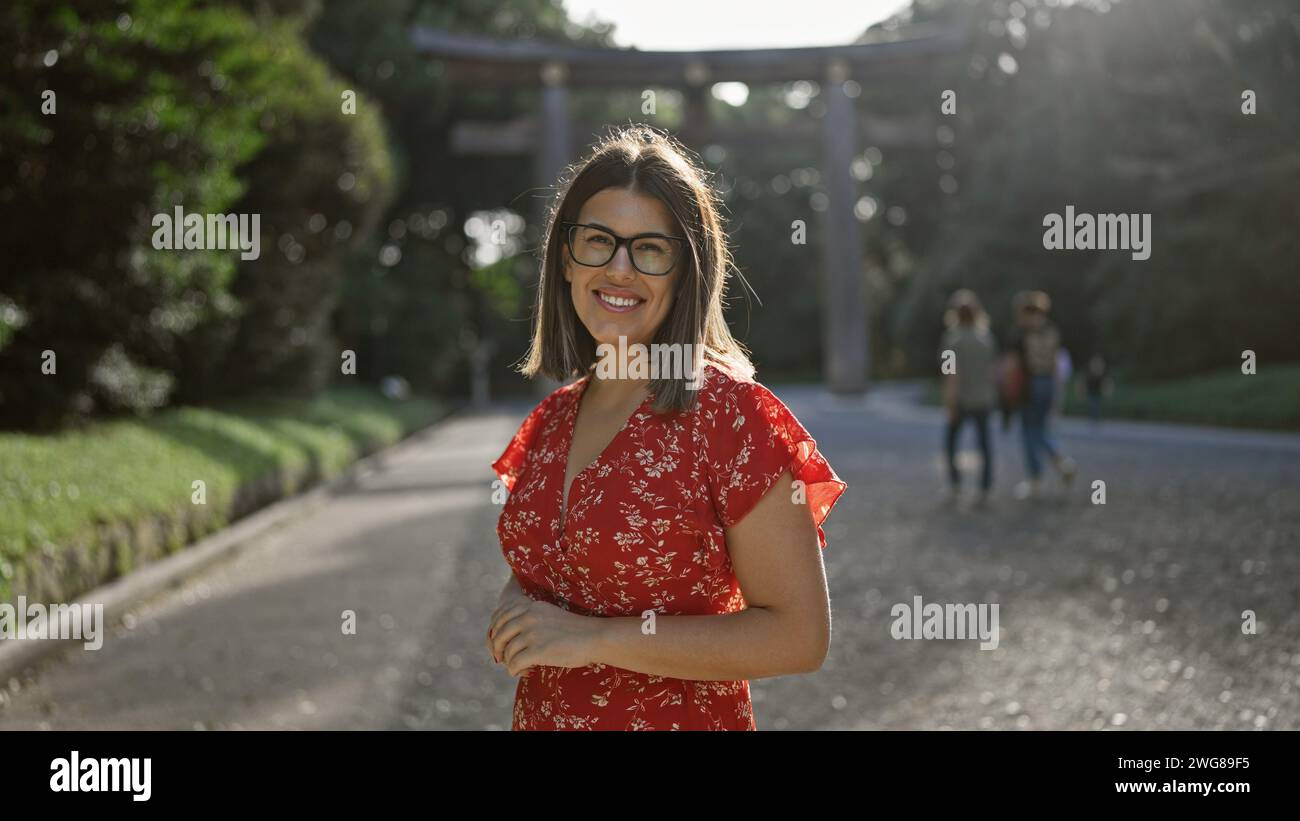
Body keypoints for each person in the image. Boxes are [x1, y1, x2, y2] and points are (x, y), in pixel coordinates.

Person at [486, 125, 846, 730]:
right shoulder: (549, 421)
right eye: (598, 241)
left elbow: (800, 636)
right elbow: (550, 570)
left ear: (686, 269)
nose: (619, 269)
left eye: (649, 248)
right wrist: (516, 609)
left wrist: (592, 640)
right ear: (566, 260)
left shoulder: (731, 415)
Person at [1007, 291, 1076, 499]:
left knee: (1029, 432)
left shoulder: (1021, 334)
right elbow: (1057, 365)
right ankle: (1061, 462)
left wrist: (1008, 394)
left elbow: (1012, 366)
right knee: (1040, 429)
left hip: (1030, 384)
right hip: (1048, 382)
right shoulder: (1052, 331)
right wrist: (1058, 392)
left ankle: (1036, 478)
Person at [939, 289, 997, 507]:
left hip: (962, 400)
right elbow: (991, 372)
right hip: (984, 398)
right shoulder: (986, 338)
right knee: (985, 446)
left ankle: (955, 486)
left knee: (951, 444)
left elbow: (951, 374)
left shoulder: (952, 340)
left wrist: (950, 403)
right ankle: (985, 489)